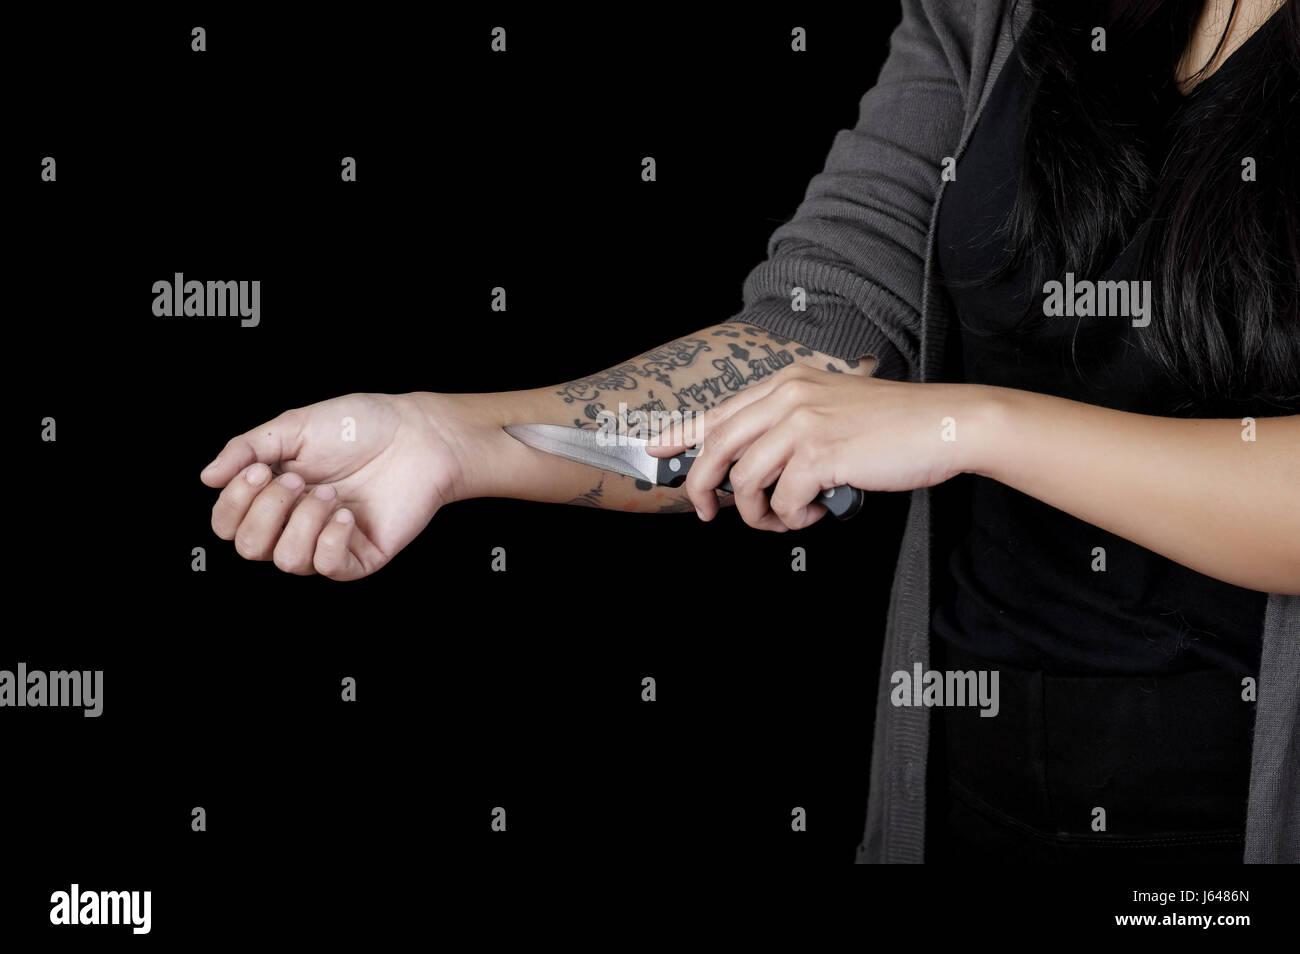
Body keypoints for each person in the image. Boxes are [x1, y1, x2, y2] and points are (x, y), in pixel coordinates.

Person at [199, 0, 1299, 862]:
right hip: (972, 794)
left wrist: (973, 424)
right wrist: (457, 439)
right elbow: (808, 338)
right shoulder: (988, 13)